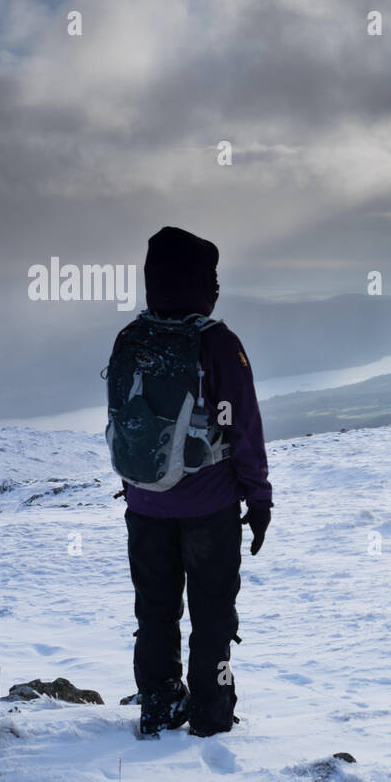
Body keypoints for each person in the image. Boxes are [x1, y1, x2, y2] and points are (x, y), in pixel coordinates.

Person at [111, 226, 272, 738]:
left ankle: (157, 707)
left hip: (145, 506)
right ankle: (210, 714)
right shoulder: (217, 344)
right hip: (209, 507)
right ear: (201, 281)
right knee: (212, 617)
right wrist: (259, 498)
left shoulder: (131, 339)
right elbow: (242, 425)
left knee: (155, 614)